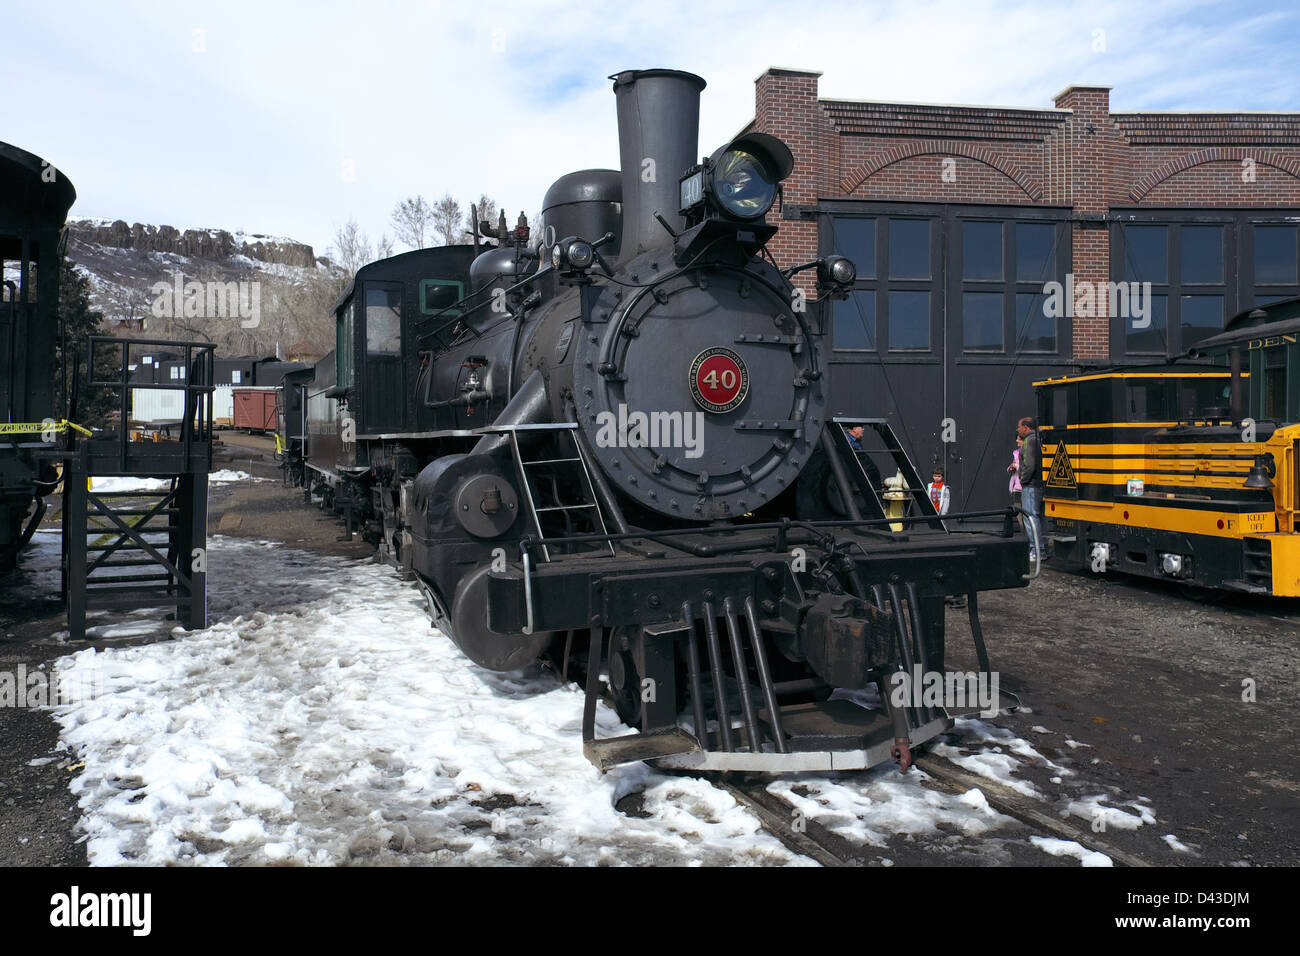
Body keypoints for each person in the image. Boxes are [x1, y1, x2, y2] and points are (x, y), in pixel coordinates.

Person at [1015, 416, 1044, 561]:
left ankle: (1036, 551)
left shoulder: (1029, 441)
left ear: (1026, 427)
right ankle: (1041, 549)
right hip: (1040, 485)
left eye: (1019, 427)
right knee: (1038, 518)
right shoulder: (1040, 439)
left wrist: (1022, 479)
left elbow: (1029, 465)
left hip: (1031, 486)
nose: (1017, 429)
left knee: (1030, 517)